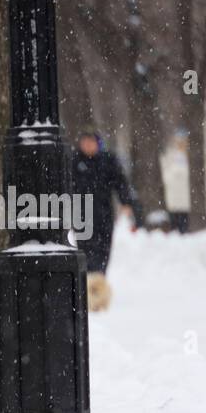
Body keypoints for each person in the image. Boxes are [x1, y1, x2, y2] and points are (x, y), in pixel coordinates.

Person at [71, 129, 139, 312]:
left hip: (103, 214)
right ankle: (87, 287)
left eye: (91, 142)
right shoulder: (74, 161)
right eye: (84, 142)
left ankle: (99, 286)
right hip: (81, 215)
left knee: (103, 250)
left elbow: (120, 182)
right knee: (85, 250)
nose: (87, 145)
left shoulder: (107, 161)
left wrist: (126, 202)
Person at [159, 131, 191, 233]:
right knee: (174, 225)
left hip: (185, 198)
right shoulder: (170, 155)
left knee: (184, 225)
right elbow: (164, 171)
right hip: (173, 197)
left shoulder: (190, 156)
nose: (180, 143)